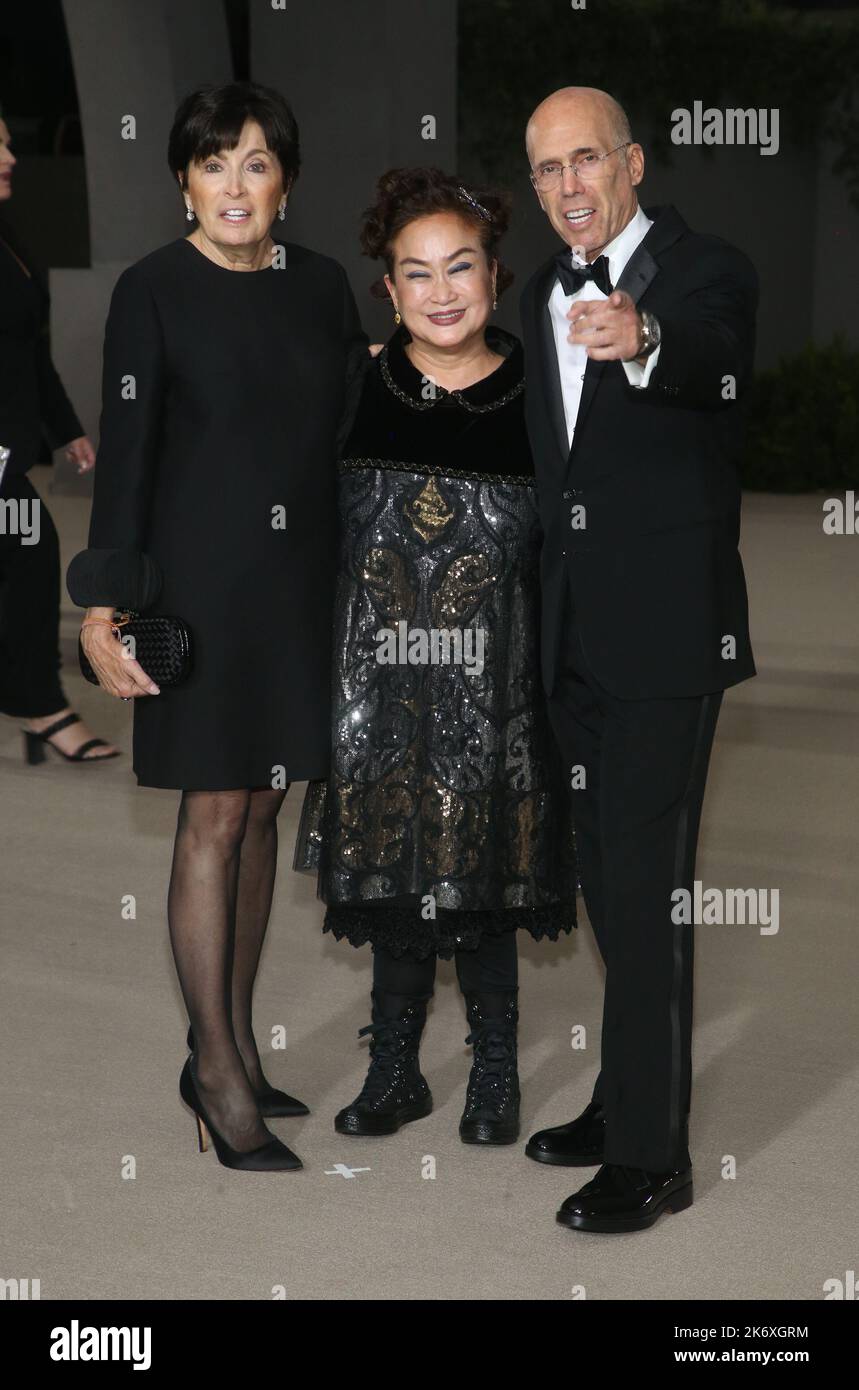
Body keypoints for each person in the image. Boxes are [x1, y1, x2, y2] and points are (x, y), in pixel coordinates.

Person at [67, 82, 368, 1172]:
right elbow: (130, 453)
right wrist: (105, 604)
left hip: (298, 588)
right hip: (196, 590)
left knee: (265, 802)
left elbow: (348, 436)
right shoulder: (153, 291)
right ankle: (216, 1071)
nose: (234, 184)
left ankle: (236, 1039)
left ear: (285, 179)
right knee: (214, 811)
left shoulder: (324, 287)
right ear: (182, 179)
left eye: (254, 162)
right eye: (212, 163)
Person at [296, 167, 577, 1146]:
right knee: (393, 891)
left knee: (486, 892)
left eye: (460, 267)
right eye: (415, 273)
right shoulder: (355, 389)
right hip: (375, 695)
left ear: (495, 275)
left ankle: (494, 1072)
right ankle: (394, 1071)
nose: (441, 290)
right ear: (388, 289)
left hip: (495, 700)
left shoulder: (539, 397)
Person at [519, 87, 757, 1232]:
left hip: (668, 636)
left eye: (585, 160)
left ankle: (653, 1158)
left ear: (632, 164)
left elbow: (712, 363)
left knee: (645, 888)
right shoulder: (532, 291)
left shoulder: (707, 271)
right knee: (608, 881)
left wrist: (645, 337)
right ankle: (625, 1100)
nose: (568, 185)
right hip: (566, 637)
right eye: (546, 169)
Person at [0, 109, 116, 763]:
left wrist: (65, 428)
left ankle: (36, 703)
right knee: (31, 556)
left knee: (29, 561)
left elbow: (26, 352)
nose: (10, 155)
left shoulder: (7, 237)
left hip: (10, 452)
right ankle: (39, 705)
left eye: (10, 142)